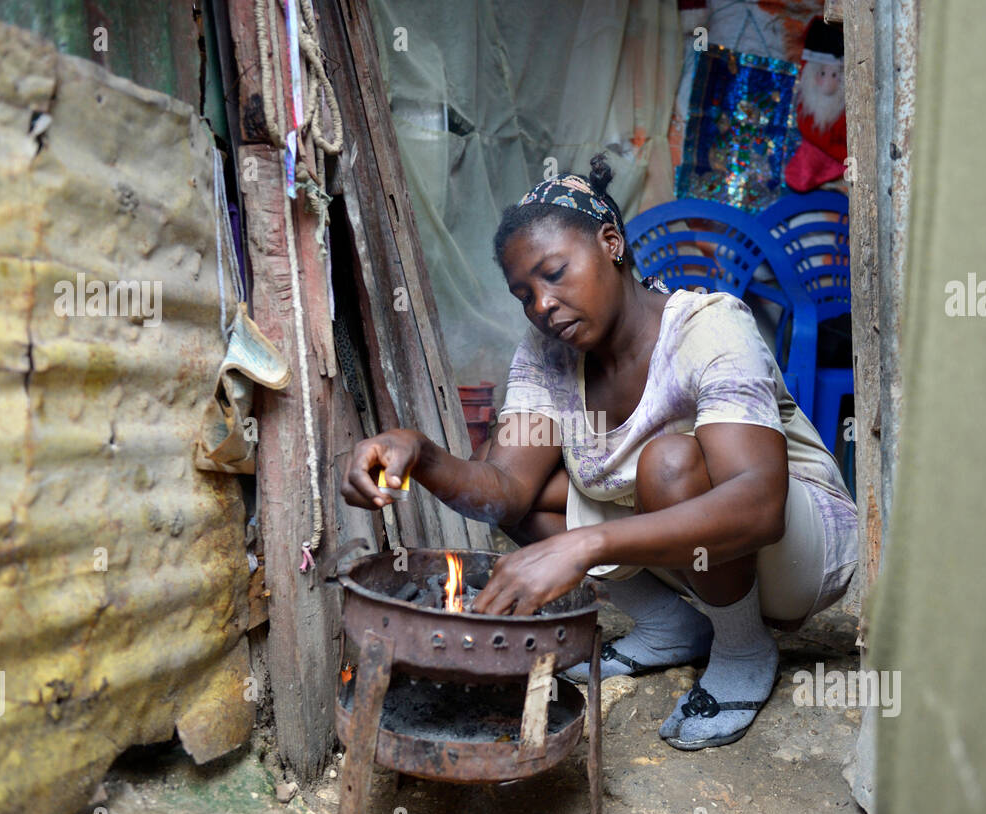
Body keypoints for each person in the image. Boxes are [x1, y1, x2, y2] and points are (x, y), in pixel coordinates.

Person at [340, 155, 858, 750]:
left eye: (554, 273)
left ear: (611, 243)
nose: (542, 304)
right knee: (527, 494)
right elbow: (503, 488)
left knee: (667, 462)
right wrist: (419, 452)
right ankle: (671, 628)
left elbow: (761, 504)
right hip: (692, 547)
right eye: (523, 293)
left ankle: (742, 647)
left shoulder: (708, 328)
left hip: (797, 552)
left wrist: (583, 545)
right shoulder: (545, 354)